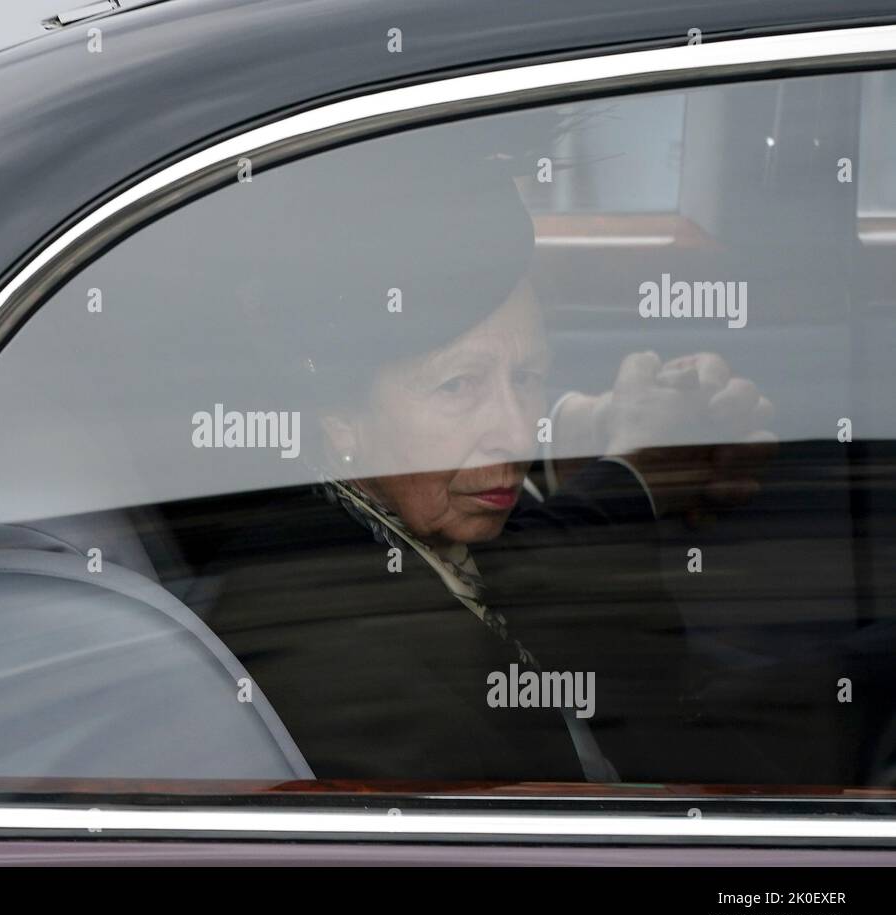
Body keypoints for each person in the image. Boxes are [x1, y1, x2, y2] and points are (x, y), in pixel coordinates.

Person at [198, 125, 775, 783]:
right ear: (339, 418)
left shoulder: (383, 512)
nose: (516, 431)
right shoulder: (333, 646)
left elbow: (533, 560)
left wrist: (611, 444)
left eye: (528, 378)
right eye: (459, 385)